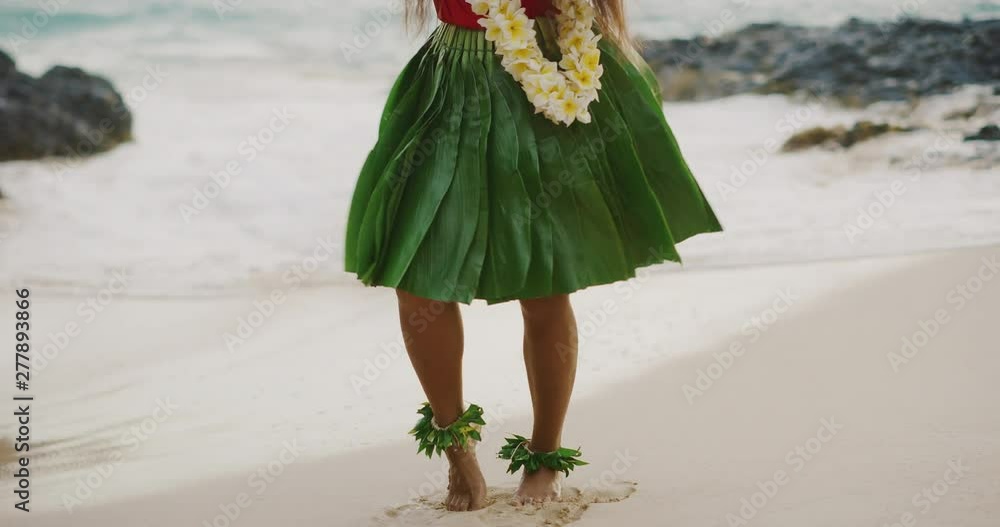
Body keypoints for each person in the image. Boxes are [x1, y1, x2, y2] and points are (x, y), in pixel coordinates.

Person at [344, 0, 722, 511]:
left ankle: (545, 455)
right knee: (417, 275)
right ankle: (457, 449)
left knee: (544, 281)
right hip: (451, 80)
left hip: (547, 77)